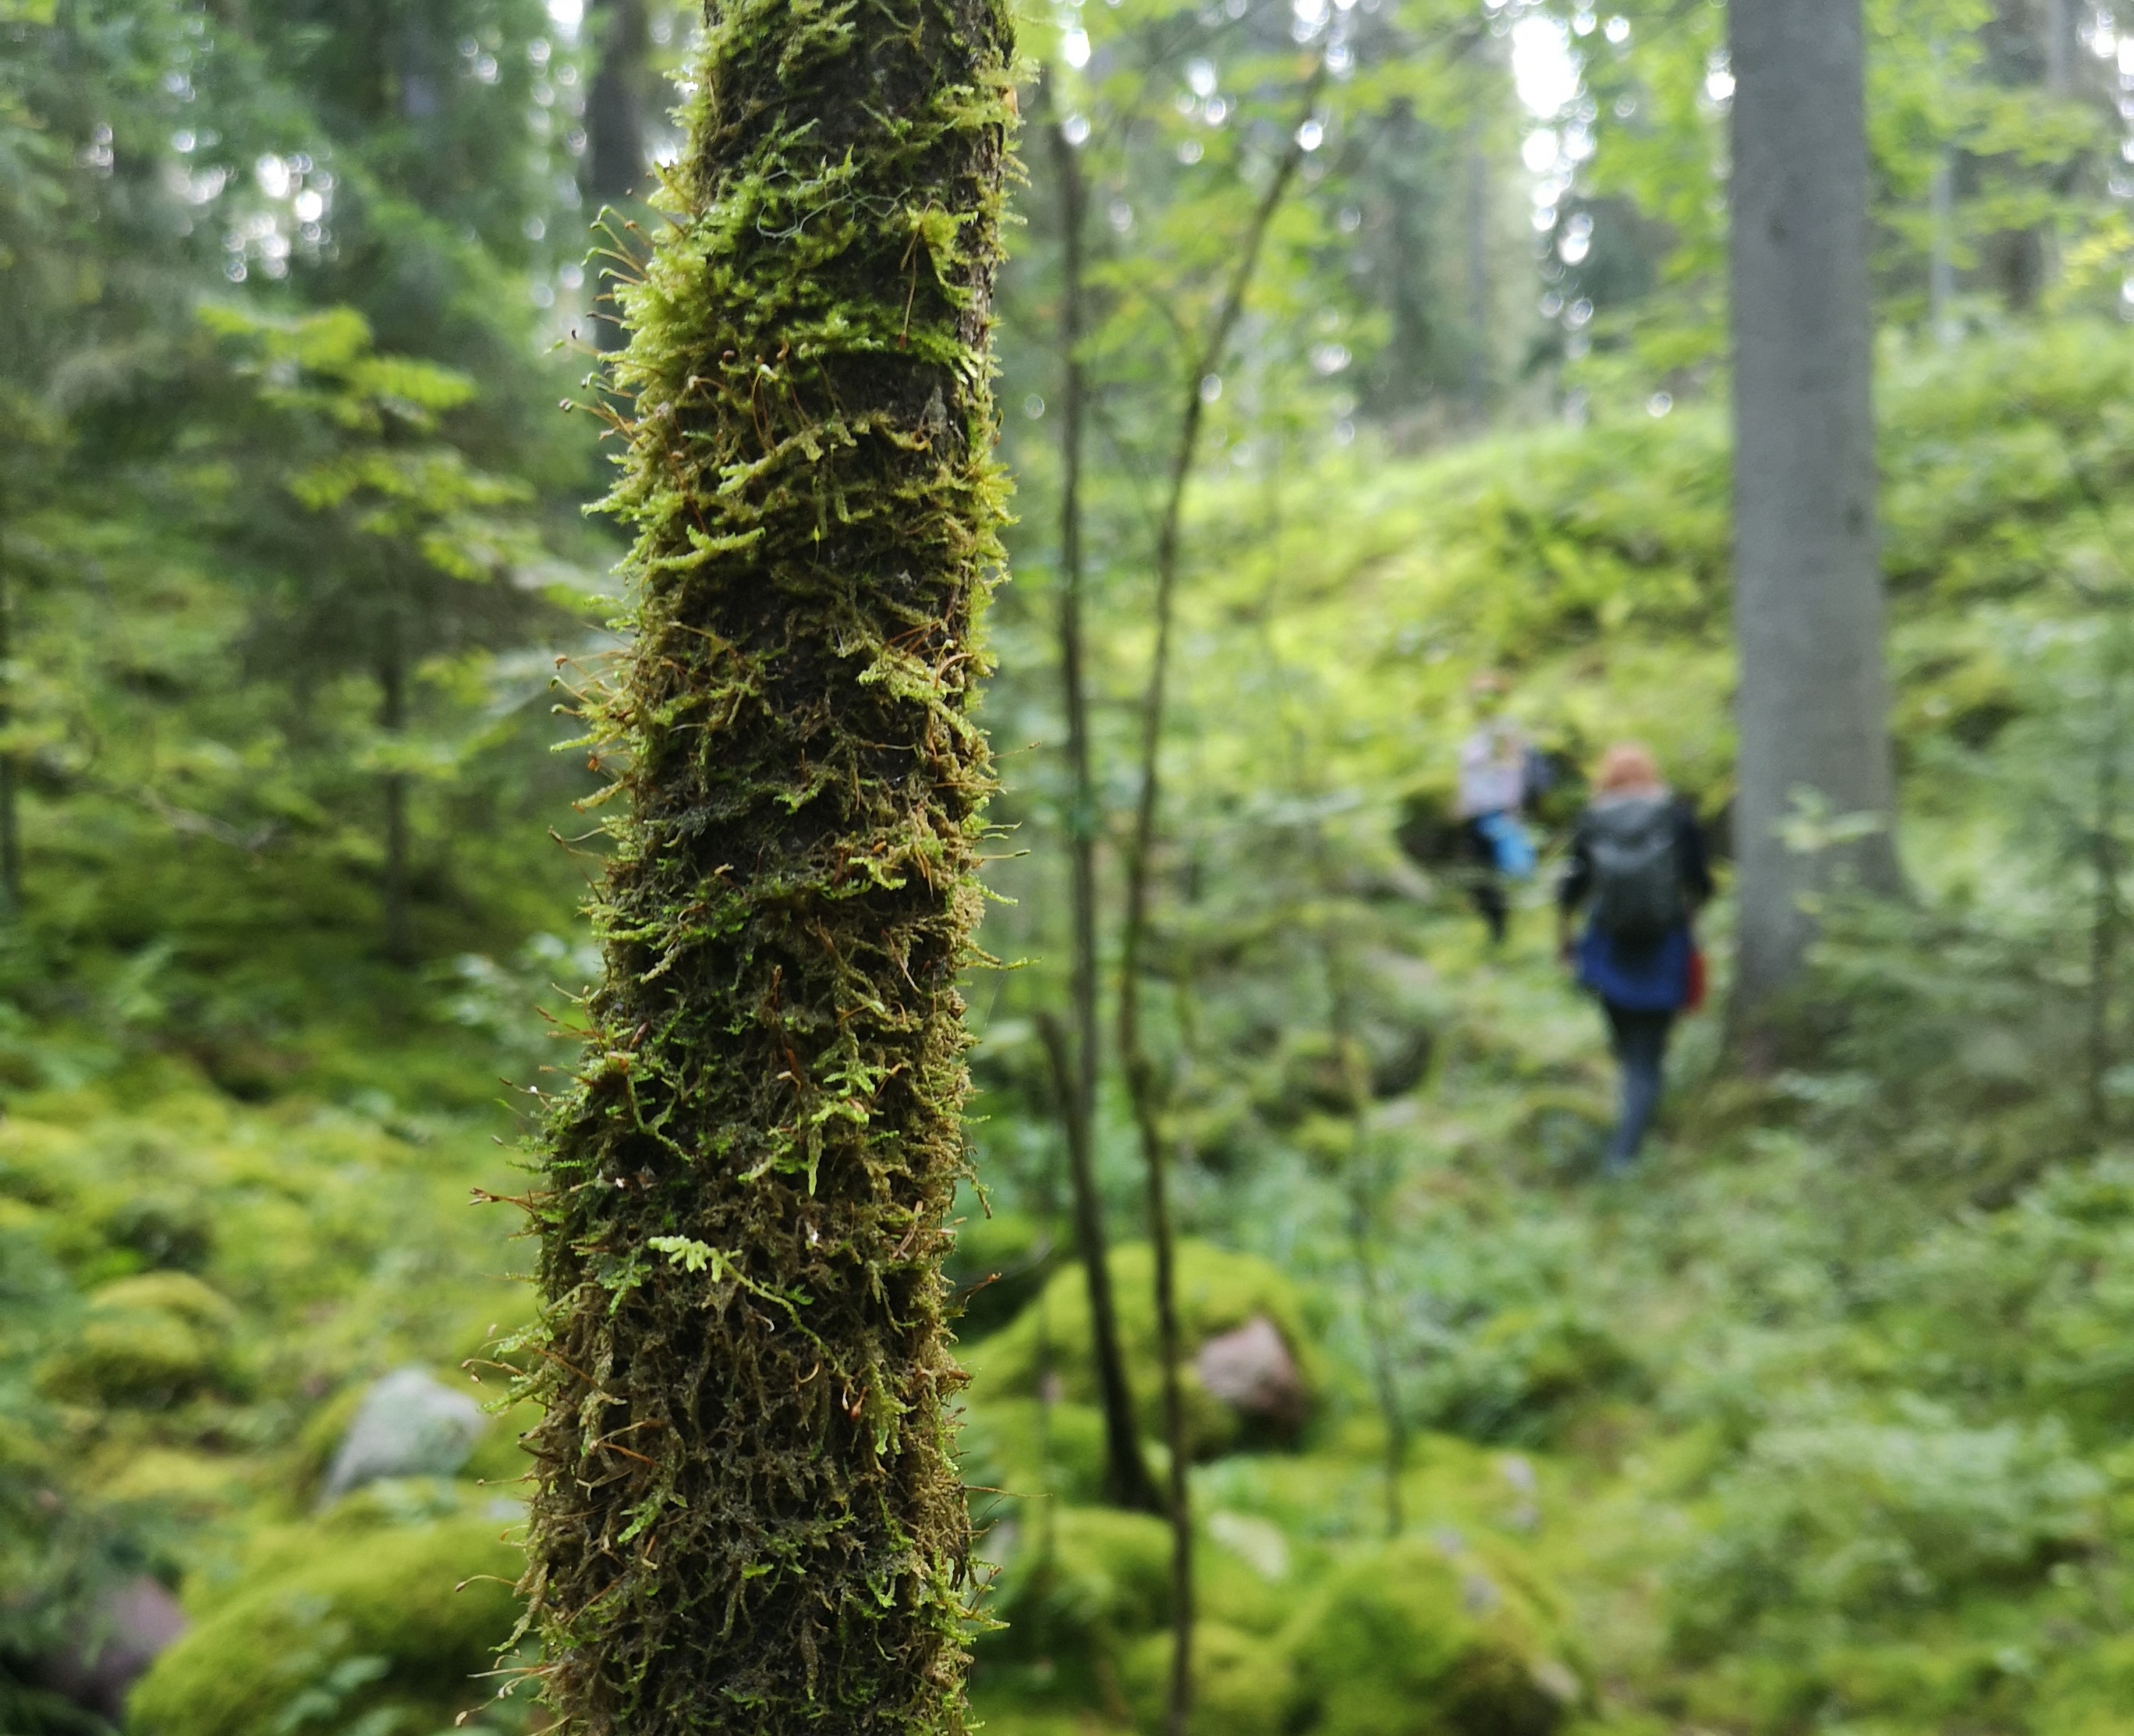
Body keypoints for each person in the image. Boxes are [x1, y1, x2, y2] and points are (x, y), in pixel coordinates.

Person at [1557, 743, 1712, 1172]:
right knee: (1648, 1054)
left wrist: (1564, 935)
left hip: (1608, 946)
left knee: (1628, 1049)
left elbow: (1571, 887)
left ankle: (1627, 1133)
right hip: (1665, 945)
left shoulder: (1593, 818)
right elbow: (1700, 882)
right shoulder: (1674, 815)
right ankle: (1625, 1151)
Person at [1455, 675, 1535, 947]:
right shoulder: (1476, 732)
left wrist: (1512, 810)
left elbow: (1513, 773)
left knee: (1504, 872)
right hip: (1475, 814)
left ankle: (1504, 932)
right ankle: (1495, 930)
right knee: (1480, 875)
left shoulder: (1505, 731)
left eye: (1487, 694)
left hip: (1498, 812)